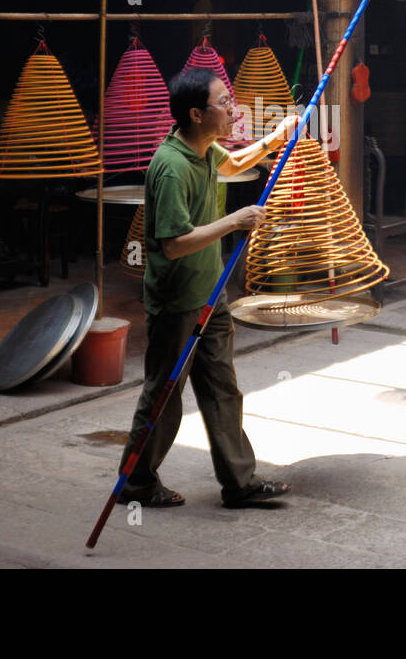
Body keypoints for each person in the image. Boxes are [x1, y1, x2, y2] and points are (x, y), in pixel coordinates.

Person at [119, 68, 298, 509]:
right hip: (178, 300)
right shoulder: (172, 167)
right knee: (164, 393)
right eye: (224, 102)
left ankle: (239, 483)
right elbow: (174, 244)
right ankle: (136, 483)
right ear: (197, 114)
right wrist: (234, 222)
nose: (232, 109)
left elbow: (235, 162)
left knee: (222, 387)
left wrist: (276, 138)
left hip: (210, 292)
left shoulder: (203, 149)